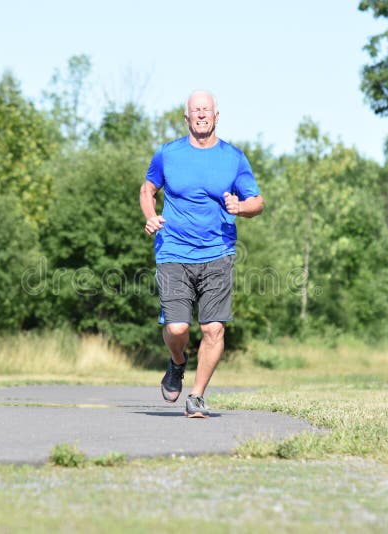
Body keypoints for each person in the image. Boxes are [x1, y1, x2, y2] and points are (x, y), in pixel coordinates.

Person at [139, 90, 264, 418]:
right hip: (174, 250)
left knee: (213, 329)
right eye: (195, 110)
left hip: (218, 252)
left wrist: (241, 207)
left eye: (206, 110)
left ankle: (196, 395)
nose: (201, 115)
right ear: (187, 118)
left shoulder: (233, 157)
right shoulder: (168, 154)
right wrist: (150, 216)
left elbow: (257, 202)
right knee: (177, 328)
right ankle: (177, 361)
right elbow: (148, 189)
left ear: (216, 116)